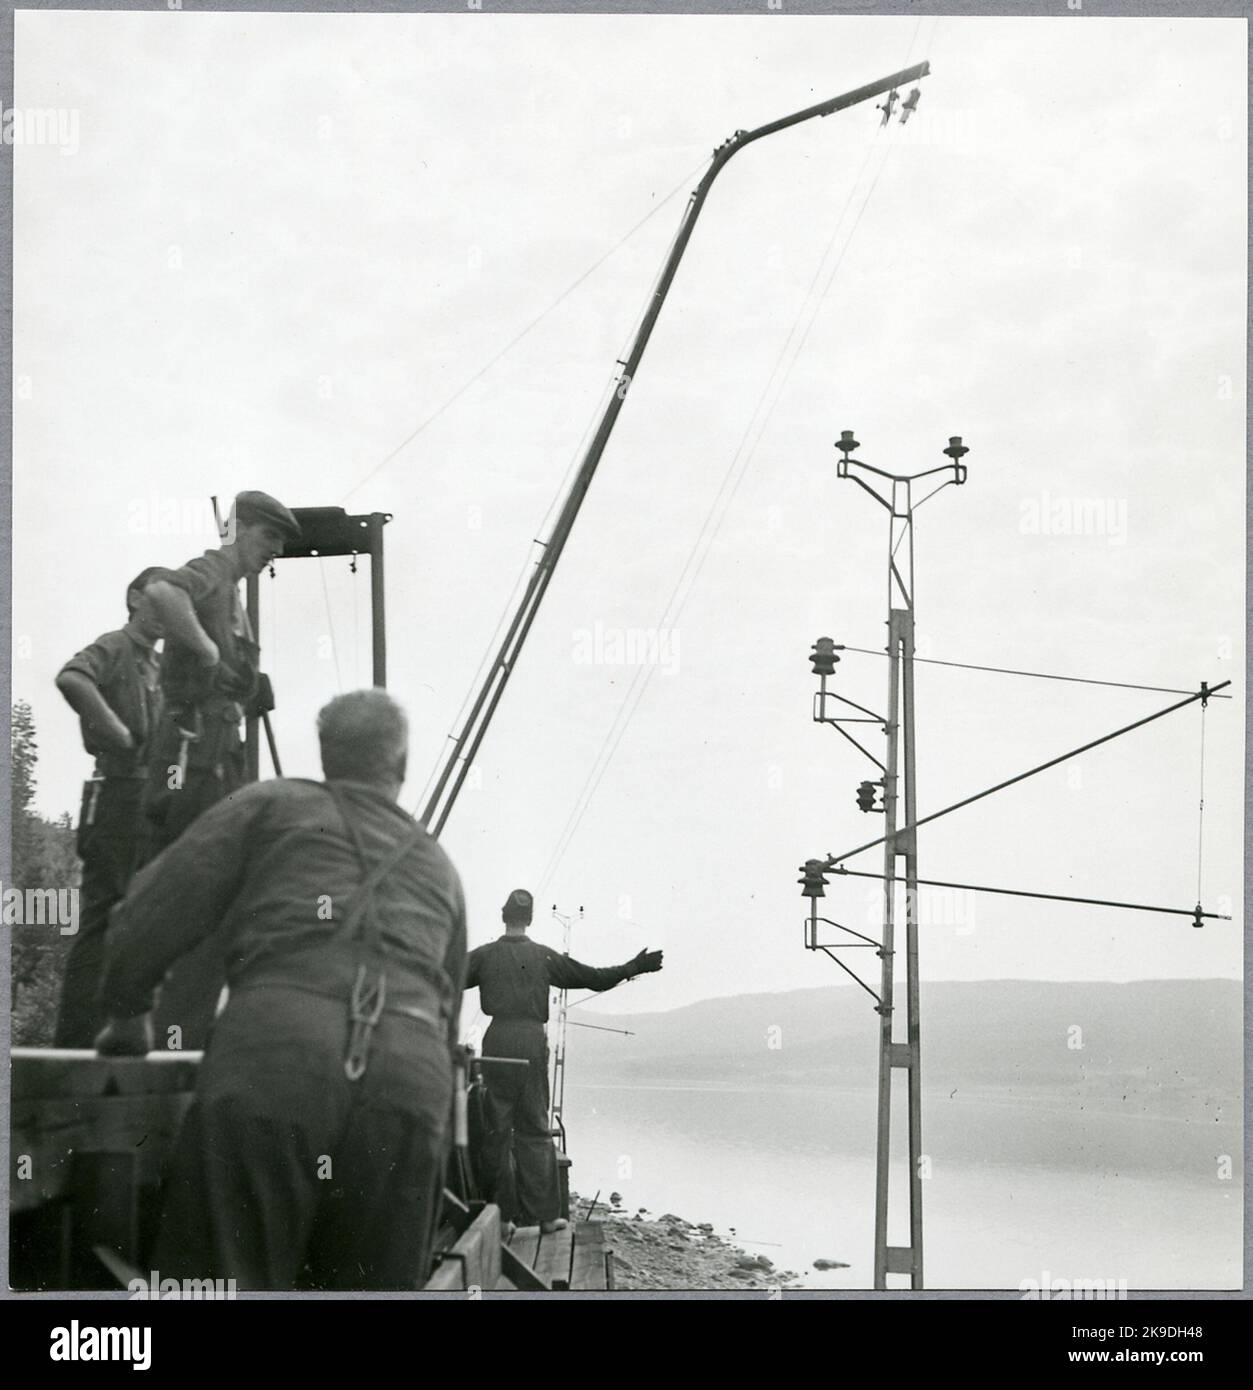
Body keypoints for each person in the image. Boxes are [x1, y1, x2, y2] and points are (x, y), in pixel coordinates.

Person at [96, 689, 467, 1291]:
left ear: (325, 757)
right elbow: (447, 1023)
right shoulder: (439, 867)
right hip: (409, 1078)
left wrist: (128, 1013)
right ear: (400, 766)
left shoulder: (271, 806)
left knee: (226, 1279)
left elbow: (151, 912)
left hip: (278, 1056)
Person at [138, 488, 300, 1045]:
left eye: (279, 541)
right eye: (267, 536)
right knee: (201, 887)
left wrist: (250, 684)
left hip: (216, 751)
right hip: (193, 751)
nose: (273, 550)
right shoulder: (212, 570)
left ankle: (177, 1029)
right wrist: (208, 653)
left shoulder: (232, 593)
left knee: (207, 888)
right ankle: (174, 1034)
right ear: (237, 529)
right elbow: (161, 592)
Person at [465, 890, 662, 1232]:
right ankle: (544, 1218)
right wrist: (635, 966)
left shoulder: (484, 956)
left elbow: (443, 975)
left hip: (497, 1039)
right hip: (530, 1041)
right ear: (529, 919)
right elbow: (592, 977)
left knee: (496, 1129)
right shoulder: (542, 957)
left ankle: (503, 1218)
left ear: (503, 915)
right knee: (536, 1129)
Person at [52, 569, 163, 1048]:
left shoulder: (157, 665)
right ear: (136, 598)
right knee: (103, 919)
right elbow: (72, 677)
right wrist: (116, 732)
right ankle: (74, 1046)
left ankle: (114, 1035)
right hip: (114, 792)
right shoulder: (116, 646)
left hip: (143, 798)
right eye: (160, 601)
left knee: (133, 917)